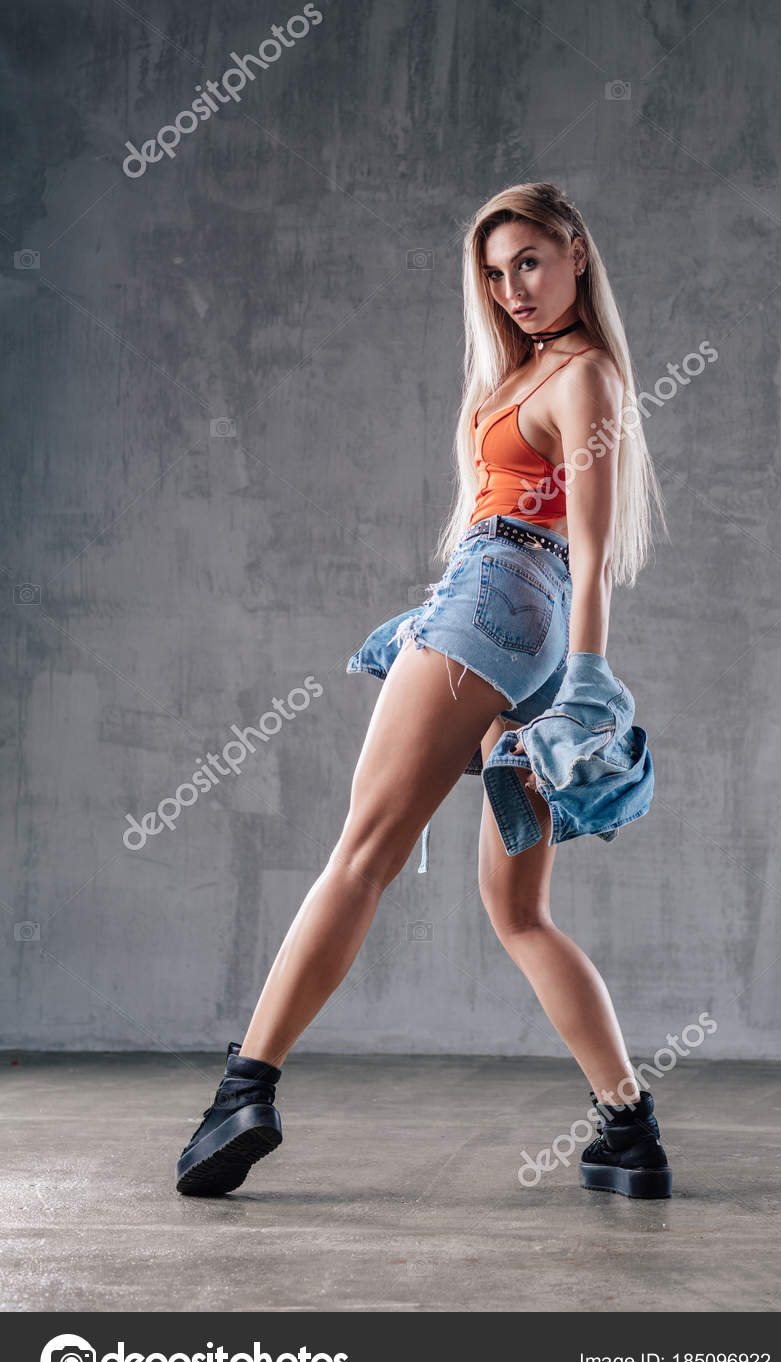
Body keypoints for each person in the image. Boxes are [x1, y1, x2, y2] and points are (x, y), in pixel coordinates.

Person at [175, 181, 673, 1200]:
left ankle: (246, 1085)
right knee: (518, 912)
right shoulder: (531, 369)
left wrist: (583, 680)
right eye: (494, 272)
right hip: (507, 630)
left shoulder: (580, 374)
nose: (512, 288)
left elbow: (583, 549)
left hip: (503, 609)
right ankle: (629, 1130)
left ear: (576, 250)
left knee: (361, 850)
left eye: (529, 260)